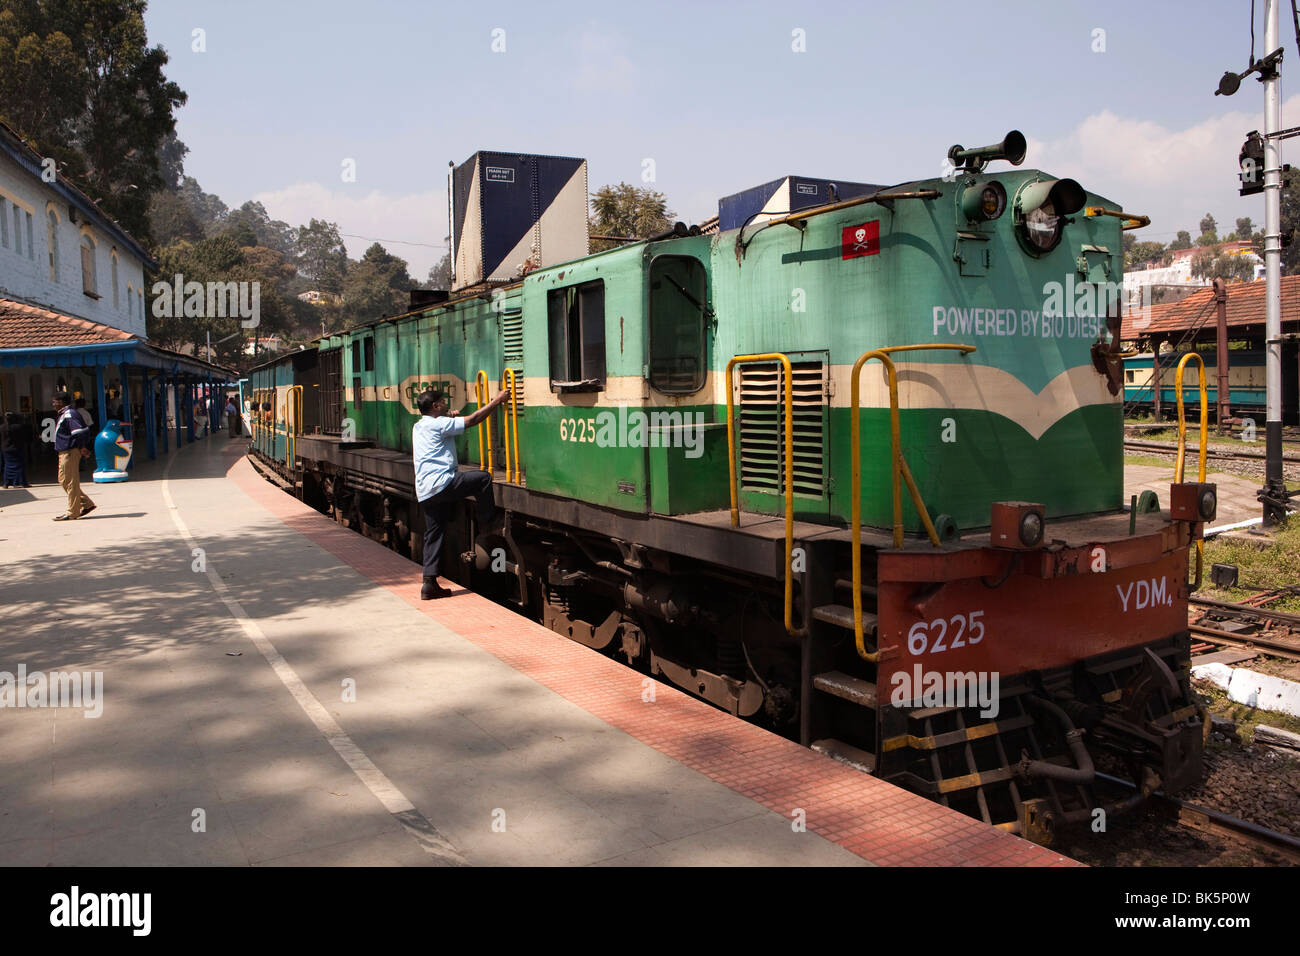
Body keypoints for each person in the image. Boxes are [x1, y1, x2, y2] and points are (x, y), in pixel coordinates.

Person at [413, 386, 510, 599]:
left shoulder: (419, 426)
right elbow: (473, 419)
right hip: (443, 483)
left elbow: (441, 427)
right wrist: (497, 401)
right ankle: (489, 524)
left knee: (433, 534)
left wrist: (447, 417)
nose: (447, 405)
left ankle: (429, 584)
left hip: (425, 490)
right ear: (436, 406)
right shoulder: (440, 424)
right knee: (483, 479)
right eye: (444, 402)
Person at [51, 391, 95, 520]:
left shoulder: (70, 414)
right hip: (64, 452)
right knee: (63, 480)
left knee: (71, 482)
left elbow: (80, 431)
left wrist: (82, 447)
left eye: (54, 402)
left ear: (60, 402)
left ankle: (72, 512)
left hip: (70, 452)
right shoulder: (64, 414)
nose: (53, 404)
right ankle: (86, 504)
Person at [1, 412, 29, 488]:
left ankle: (6, 483)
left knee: (7, 466)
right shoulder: (19, 427)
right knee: (19, 466)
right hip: (17, 448)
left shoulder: (2, 427)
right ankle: (20, 482)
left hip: (6, 449)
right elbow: (24, 437)